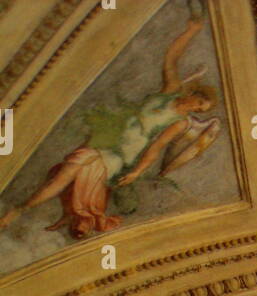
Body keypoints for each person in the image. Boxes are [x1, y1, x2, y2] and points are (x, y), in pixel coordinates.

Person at [0, 7, 217, 239]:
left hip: (122, 151)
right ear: (196, 92)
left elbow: (156, 147)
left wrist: (136, 172)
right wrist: (191, 31)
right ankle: (34, 209)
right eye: (199, 101)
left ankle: (20, 210)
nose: (196, 107)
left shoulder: (181, 123)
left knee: (70, 173)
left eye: (200, 109)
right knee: (66, 173)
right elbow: (171, 57)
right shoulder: (171, 90)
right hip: (111, 132)